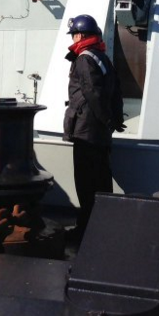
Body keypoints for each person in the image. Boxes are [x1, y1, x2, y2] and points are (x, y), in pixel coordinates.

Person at [62, 14, 124, 240]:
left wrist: (106, 119)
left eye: (74, 34)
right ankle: (102, 227)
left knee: (86, 184)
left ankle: (86, 231)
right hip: (99, 131)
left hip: (86, 130)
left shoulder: (84, 59)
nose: (73, 38)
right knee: (101, 181)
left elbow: (91, 91)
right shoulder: (101, 57)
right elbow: (115, 91)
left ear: (81, 35)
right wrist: (114, 120)